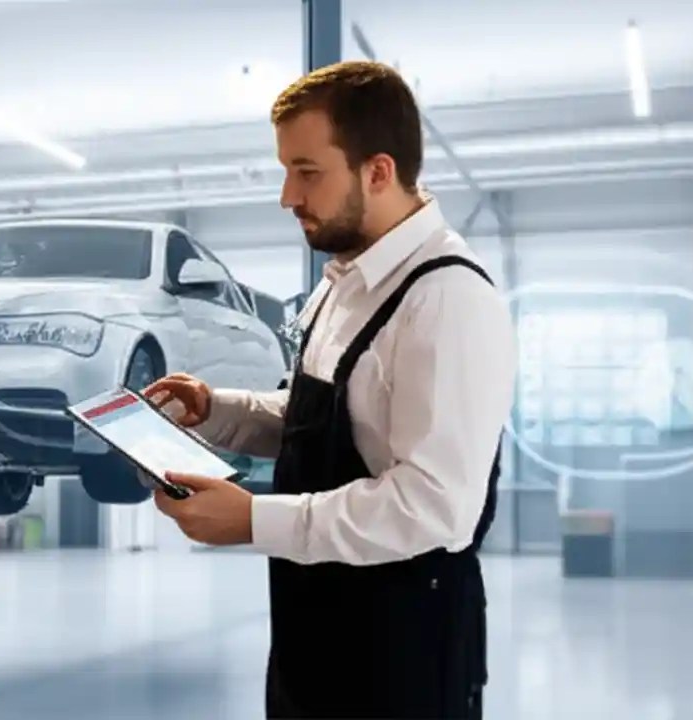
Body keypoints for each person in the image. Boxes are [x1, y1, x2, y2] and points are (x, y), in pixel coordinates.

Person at [143, 60, 517, 719]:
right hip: (313, 639)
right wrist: (216, 411)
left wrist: (254, 520)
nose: (288, 196)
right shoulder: (343, 283)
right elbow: (320, 416)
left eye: (307, 171)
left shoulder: (446, 299)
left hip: (402, 659)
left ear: (378, 172)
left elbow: (434, 508)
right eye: (286, 170)